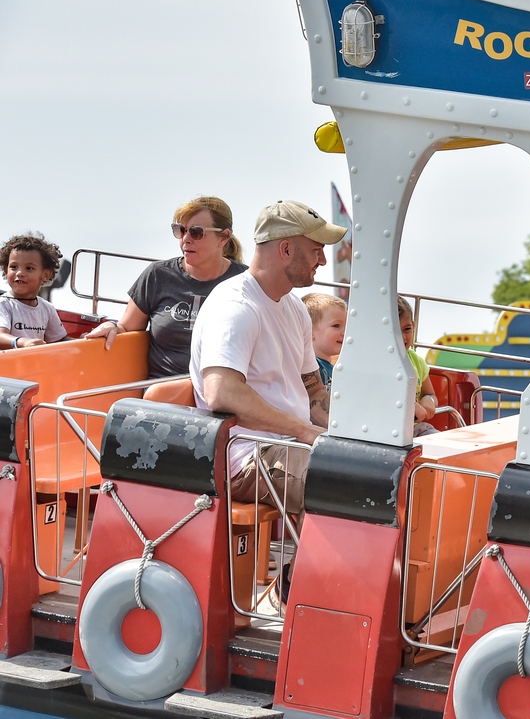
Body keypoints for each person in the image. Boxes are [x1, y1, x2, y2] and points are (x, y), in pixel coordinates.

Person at [190, 200, 346, 528]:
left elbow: (312, 388)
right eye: (316, 250)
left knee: (376, 467)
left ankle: (313, 576)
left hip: (284, 445)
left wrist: (350, 433)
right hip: (243, 456)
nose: (323, 259)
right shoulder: (236, 307)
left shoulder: (294, 308)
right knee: (340, 485)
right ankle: (312, 579)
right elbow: (222, 392)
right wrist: (302, 430)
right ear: (286, 249)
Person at [85, 197, 246, 378]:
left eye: (196, 232)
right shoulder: (157, 276)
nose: (186, 239)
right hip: (161, 398)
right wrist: (111, 326)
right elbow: (125, 328)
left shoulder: (246, 283)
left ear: (223, 237)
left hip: (218, 395)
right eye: (181, 230)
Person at [0, 233, 69, 348]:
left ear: (46, 275)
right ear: (6, 270)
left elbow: (58, 340)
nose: (20, 273)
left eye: (29, 268)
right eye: (14, 267)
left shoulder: (47, 308)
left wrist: (84, 341)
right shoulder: (3, 305)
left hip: (35, 364)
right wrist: (22, 342)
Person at [397, 296, 439, 437]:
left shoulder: (416, 361)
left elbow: (431, 393)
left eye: (407, 329)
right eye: (396, 331)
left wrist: (429, 400)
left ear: (413, 326)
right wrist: (412, 407)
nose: (403, 338)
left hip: (416, 429)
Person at [302, 293, 346, 390]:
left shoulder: (331, 367)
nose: (345, 332)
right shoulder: (311, 366)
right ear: (310, 331)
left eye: (346, 327)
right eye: (336, 326)